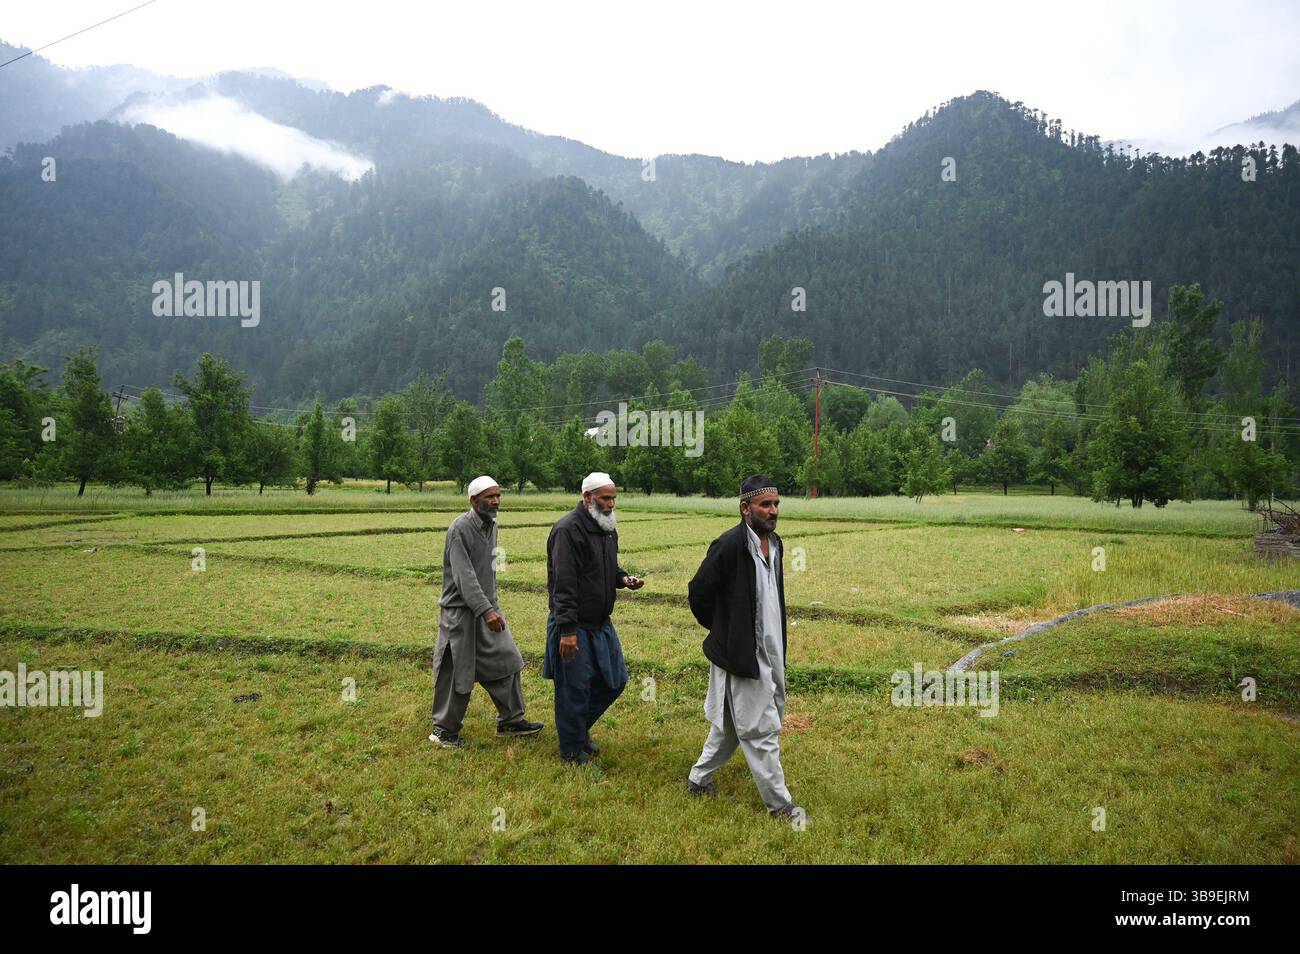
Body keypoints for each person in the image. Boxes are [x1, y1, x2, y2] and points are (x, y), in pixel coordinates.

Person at [685, 475, 804, 820]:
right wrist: (725, 631)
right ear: (745, 508)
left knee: (731, 726)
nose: (773, 511)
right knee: (759, 729)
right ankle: (780, 806)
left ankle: (698, 779)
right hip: (741, 655)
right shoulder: (728, 546)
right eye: (765, 504)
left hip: (772, 649)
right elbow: (698, 593)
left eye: (776, 504)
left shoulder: (775, 544)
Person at [429, 475, 543, 748]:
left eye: (498, 496)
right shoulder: (459, 529)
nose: (496, 501)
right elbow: (464, 576)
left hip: (488, 608)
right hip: (461, 612)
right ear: (474, 500)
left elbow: (487, 572)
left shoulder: (491, 525)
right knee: (458, 670)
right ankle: (443, 731)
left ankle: (511, 721)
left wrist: (492, 606)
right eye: (490, 497)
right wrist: (485, 610)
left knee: (508, 660)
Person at [542, 472, 644, 764]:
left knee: (616, 680)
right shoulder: (567, 530)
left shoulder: (606, 528)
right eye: (605, 498)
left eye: (613, 498)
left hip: (601, 623)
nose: (611, 504)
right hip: (574, 624)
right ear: (587, 498)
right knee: (574, 689)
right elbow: (564, 584)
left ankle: (578, 727)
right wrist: (568, 631)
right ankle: (571, 749)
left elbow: (607, 570)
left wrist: (623, 578)